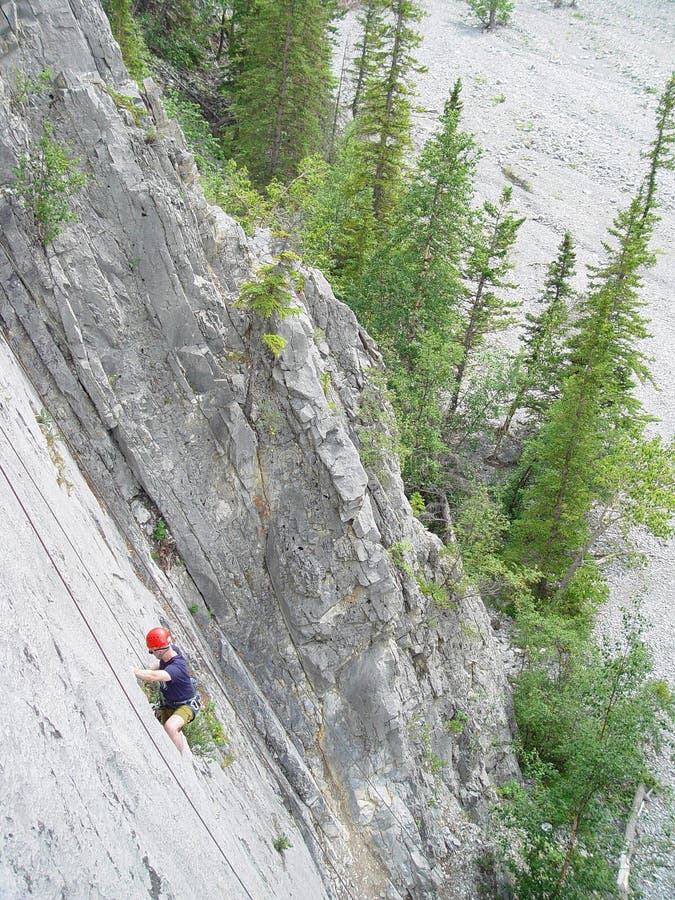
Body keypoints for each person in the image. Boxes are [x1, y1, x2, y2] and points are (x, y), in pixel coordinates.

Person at [133, 627, 198, 754]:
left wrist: (135, 672)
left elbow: (155, 677)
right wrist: (148, 669)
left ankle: (179, 759)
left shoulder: (176, 668)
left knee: (170, 727)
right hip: (169, 703)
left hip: (186, 705)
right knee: (163, 725)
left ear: (160, 650)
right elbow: (160, 666)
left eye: (152, 651)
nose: (152, 653)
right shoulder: (170, 651)